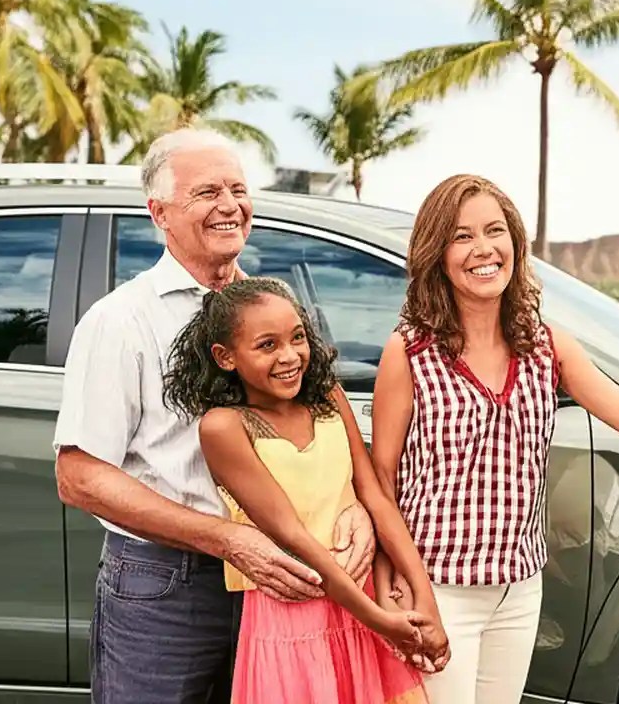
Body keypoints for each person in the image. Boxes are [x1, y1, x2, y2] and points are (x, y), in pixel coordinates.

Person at [370, 173, 619, 704]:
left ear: (515, 242)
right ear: (436, 253)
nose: (483, 249)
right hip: (437, 587)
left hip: (517, 590)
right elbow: (382, 476)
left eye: (495, 231)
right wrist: (392, 580)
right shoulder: (410, 353)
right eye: (461, 236)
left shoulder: (545, 346)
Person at [53, 128, 375, 702]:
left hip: (280, 581)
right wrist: (228, 540)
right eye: (206, 193)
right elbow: (79, 477)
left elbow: (320, 423)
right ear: (160, 213)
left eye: (237, 189)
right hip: (169, 586)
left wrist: (355, 506)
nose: (229, 205)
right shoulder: (121, 321)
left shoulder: (273, 311)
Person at [161, 276, 445, 704]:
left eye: (297, 338)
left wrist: (425, 602)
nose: (290, 356)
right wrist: (378, 620)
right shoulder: (225, 427)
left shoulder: (328, 398)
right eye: (267, 345)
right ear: (225, 357)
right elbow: (290, 535)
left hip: (363, 600)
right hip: (293, 621)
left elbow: (374, 496)